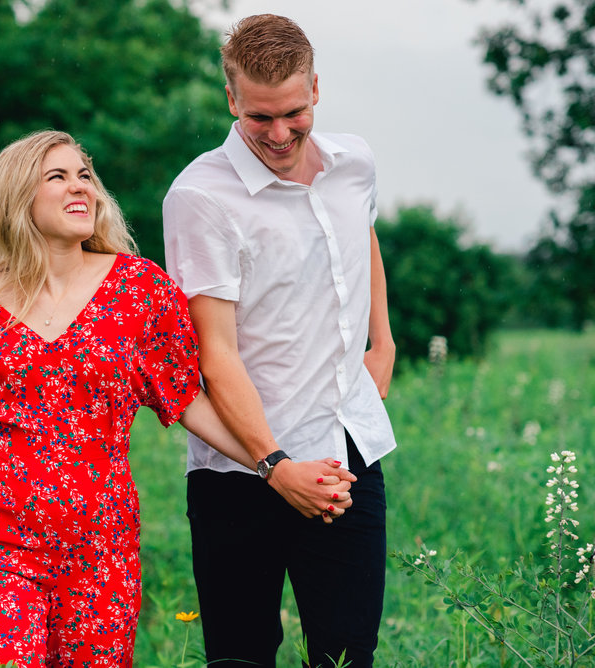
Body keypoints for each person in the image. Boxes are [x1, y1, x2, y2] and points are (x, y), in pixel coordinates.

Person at [0, 130, 314, 668]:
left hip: (100, 546)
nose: (80, 186)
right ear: (17, 198)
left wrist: (272, 464)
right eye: (56, 177)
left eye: (84, 174)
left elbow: (187, 399)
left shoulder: (140, 290)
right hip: (0, 538)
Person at [162, 14, 398, 668]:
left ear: (316, 88)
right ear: (232, 98)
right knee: (241, 658)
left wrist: (384, 342)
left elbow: (363, 236)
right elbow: (216, 353)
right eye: (259, 117)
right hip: (241, 473)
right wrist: (275, 466)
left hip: (346, 455)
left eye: (294, 112)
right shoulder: (201, 197)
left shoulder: (355, 162)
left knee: (346, 655)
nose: (279, 132)